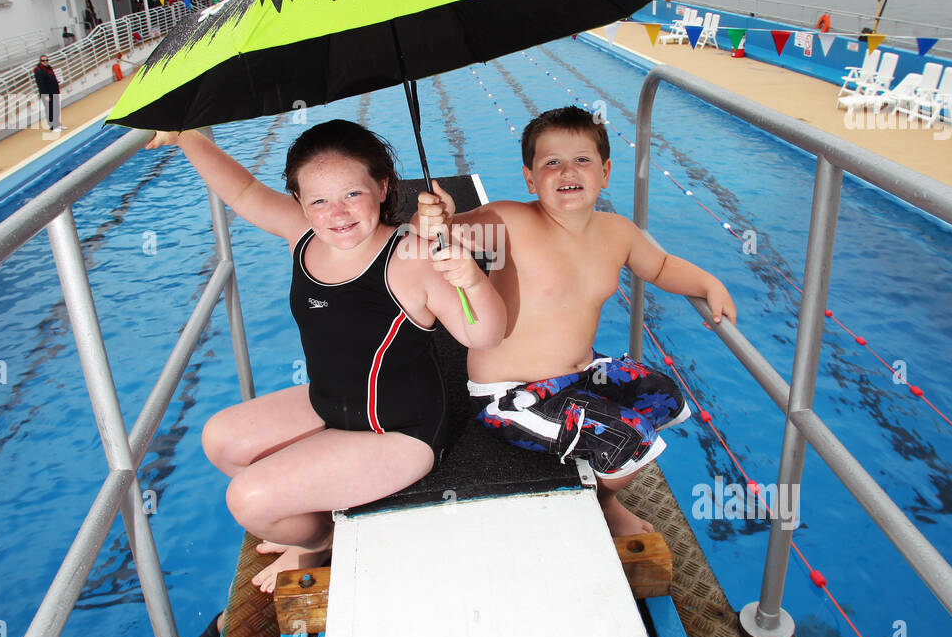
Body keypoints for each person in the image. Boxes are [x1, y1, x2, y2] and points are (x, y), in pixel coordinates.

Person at [148, 120, 506, 592]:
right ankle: (320, 508)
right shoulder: (303, 237)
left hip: (401, 434)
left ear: (382, 188)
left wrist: (470, 276)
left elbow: (483, 335)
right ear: (300, 203)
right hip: (328, 407)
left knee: (248, 500)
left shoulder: (412, 257)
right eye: (318, 200)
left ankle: (319, 539)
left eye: (351, 194)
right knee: (220, 440)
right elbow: (242, 189)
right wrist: (185, 135)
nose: (336, 213)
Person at [416, 105, 736, 538]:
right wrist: (435, 220)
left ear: (604, 171)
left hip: (581, 376)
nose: (568, 170)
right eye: (551, 162)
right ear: (531, 178)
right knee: (630, 439)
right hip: (512, 396)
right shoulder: (509, 223)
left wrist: (708, 282)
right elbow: (445, 237)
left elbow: (659, 267)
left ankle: (597, 467)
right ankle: (607, 503)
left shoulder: (616, 232)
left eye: (581, 159)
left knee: (663, 396)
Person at [32, 55, 64, 131]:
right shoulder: (39, 71)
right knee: (50, 110)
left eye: (47, 60)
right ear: (40, 61)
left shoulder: (49, 68)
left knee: (56, 109)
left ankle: (58, 124)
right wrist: (45, 95)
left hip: (54, 92)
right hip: (47, 94)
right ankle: (53, 126)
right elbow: (40, 84)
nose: (45, 61)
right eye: (43, 60)